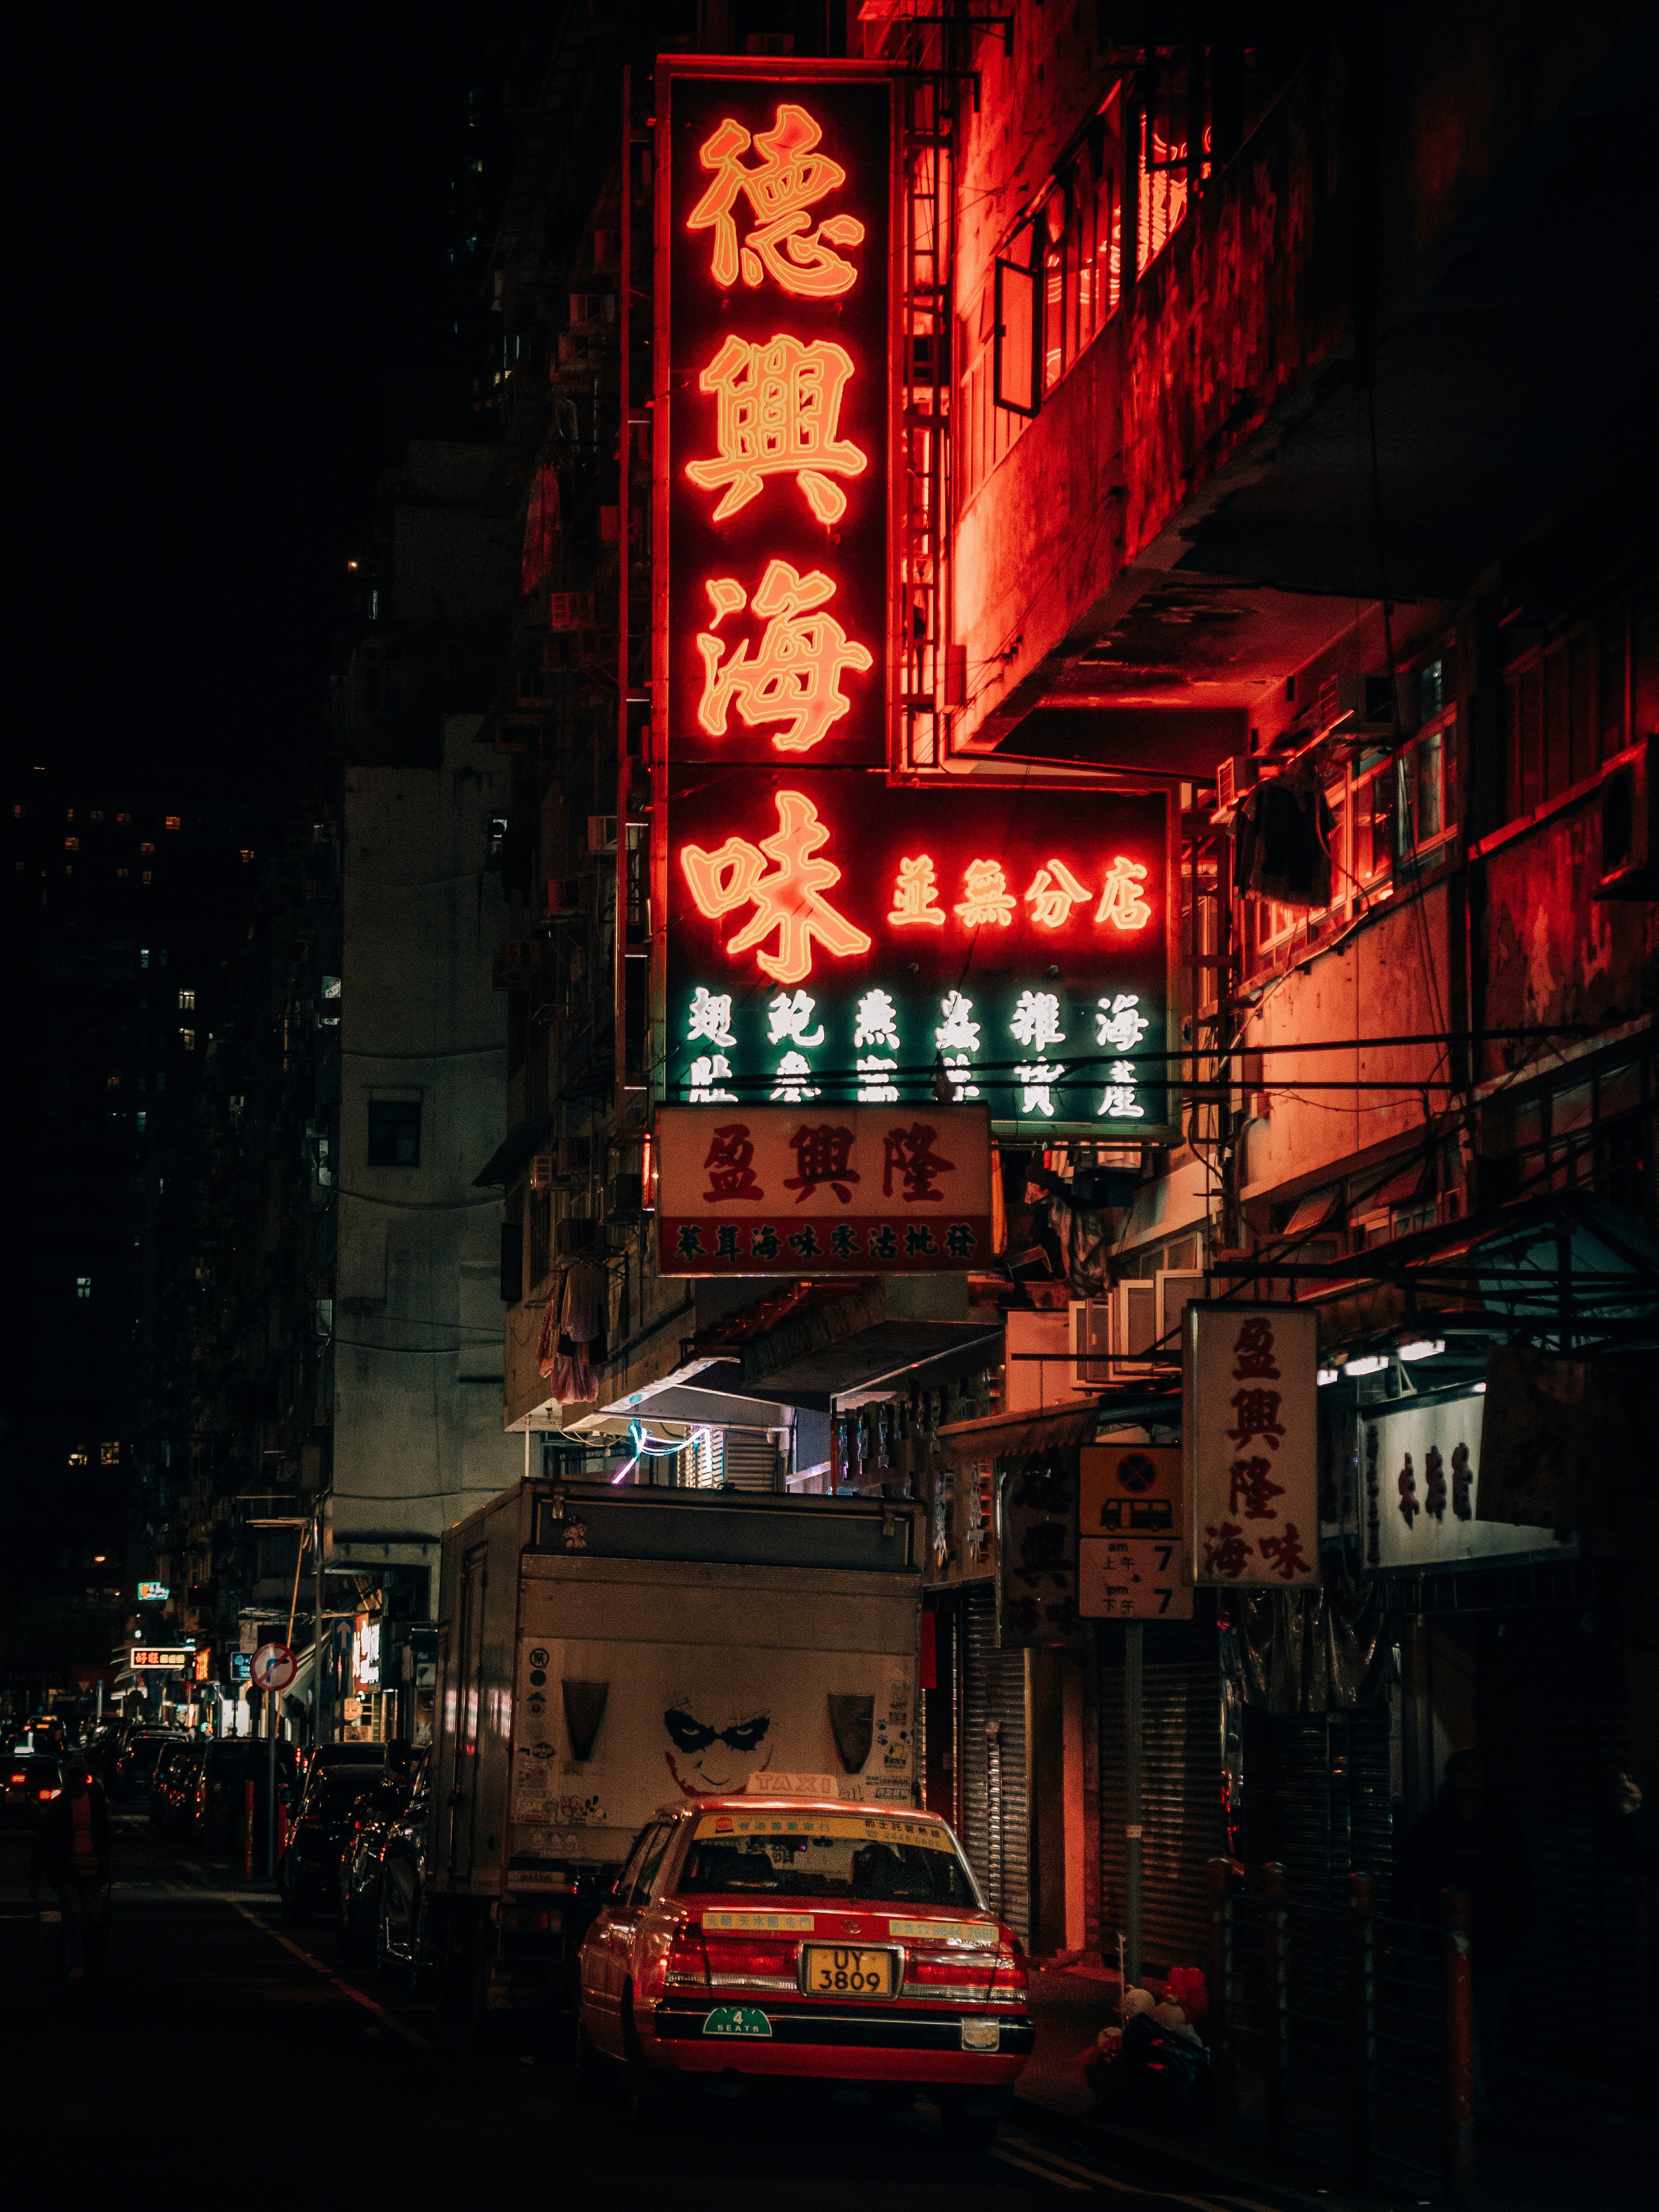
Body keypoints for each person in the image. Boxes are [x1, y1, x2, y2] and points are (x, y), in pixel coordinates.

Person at [1392, 1749, 1531, 2118]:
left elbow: (1520, 1881)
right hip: (1450, 1940)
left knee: (1485, 2026)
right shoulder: (1435, 1825)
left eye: (1477, 1768)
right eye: (1463, 1770)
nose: (1471, 1776)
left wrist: (1517, 1927)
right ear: (1451, 1778)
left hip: (1495, 1941)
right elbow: (1409, 1875)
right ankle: (1474, 2103)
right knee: (1463, 2022)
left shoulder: (1501, 1824)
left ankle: (1472, 2097)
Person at [30, 1754, 112, 1980]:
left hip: (91, 1868)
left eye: (79, 1776)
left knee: (93, 1918)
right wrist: (37, 1875)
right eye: (73, 1776)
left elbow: (103, 1836)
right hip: (68, 1869)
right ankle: (76, 1962)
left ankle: (86, 1958)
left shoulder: (95, 1802)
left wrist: (103, 1865)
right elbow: (43, 1840)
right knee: (73, 1915)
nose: (76, 1781)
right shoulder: (60, 1805)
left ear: (85, 1778)